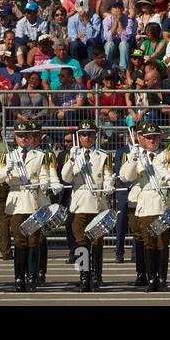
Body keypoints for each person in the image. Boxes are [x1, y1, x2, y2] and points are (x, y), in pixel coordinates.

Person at [0, 119, 56, 292]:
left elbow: (44, 175)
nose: (23, 139)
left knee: (34, 241)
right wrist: (7, 168)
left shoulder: (40, 156)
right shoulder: (8, 156)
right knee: (20, 242)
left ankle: (32, 277)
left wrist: (45, 183)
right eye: (20, 136)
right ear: (15, 137)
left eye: (26, 136)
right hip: (16, 202)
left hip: (34, 201)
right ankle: (19, 278)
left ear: (31, 137)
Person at [119, 121, 170, 292]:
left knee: (162, 243)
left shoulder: (166, 155)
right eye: (149, 137)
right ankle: (151, 279)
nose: (152, 140)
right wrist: (135, 158)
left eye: (155, 137)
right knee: (149, 243)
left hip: (164, 203)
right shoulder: (134, 155)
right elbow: (125, 177)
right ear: (141, 138)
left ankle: (163, 279)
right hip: (146, 204)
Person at [61, 119, 115, 292]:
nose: (87, 138)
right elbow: (66, 178)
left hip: (98, 203)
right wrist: (71, 159)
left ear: (95, 136)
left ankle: (96, 276)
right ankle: (83, 277)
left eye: (90, 134)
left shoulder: (103, 155)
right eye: (84, 134)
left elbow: (108, 176)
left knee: (97, 242)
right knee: (80, 242)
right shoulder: (73, 155)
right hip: (79, 204)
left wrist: (109, 185)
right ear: (79, 136)